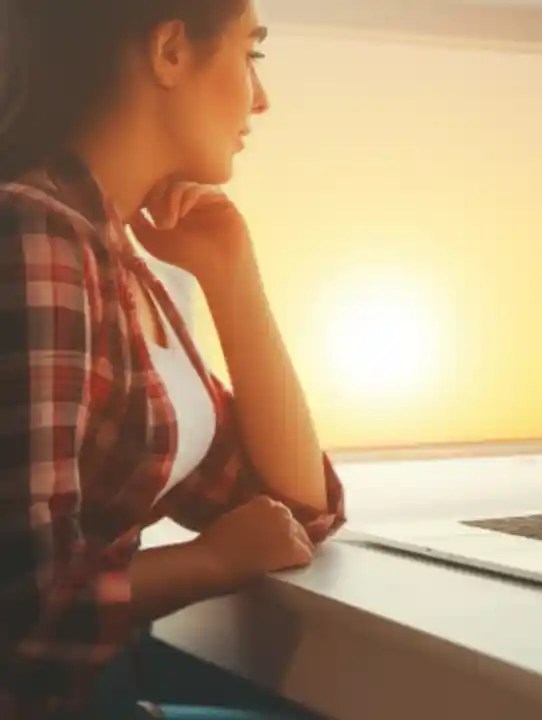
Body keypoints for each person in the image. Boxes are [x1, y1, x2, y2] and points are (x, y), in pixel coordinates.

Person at [0, 0, 347, 716]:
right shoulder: (34, 235)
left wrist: (232, 276)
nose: (261, 97)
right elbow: (25, 609)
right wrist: (211, 562)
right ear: (169, 52)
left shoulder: (114, 253)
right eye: (252, 53)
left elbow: (295, 508)